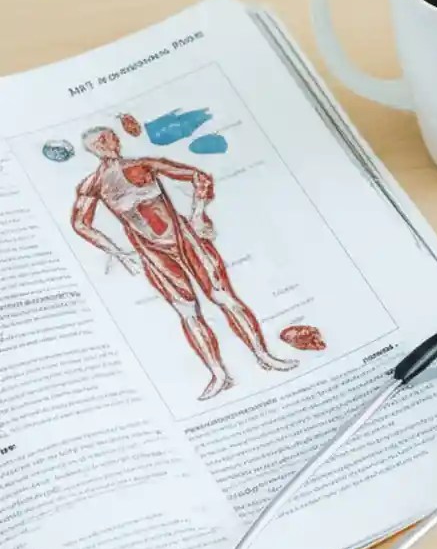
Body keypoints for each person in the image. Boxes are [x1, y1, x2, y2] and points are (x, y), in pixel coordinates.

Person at [70, 124, 297, 401]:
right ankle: (219, 374)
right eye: (102, 141)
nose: (111, 142)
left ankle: (263, 355)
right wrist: (117, 251)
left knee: (223, 297)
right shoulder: (92, 185)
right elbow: (80, 223)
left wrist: (198, 214)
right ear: (93, 149)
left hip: (183, 238)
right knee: (188, 312)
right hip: (152, 251)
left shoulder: (145, 164)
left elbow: (198, 176)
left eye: (111, 137)